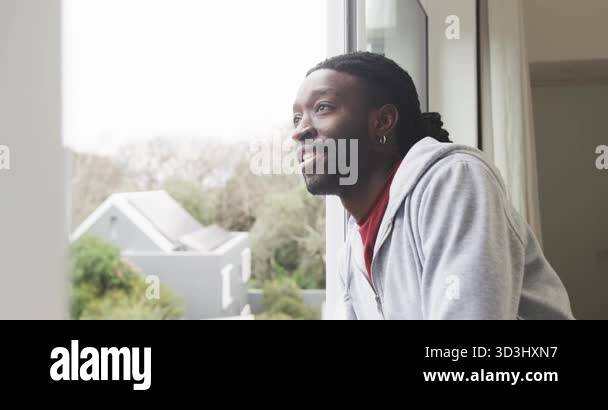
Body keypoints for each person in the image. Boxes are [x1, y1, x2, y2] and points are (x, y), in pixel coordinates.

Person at [291, 52, 573, 320]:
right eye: (296, 117)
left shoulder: (452, 180)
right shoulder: (353, 249)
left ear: (383, 122)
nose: (299, 130)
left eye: (322, 108)